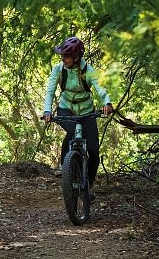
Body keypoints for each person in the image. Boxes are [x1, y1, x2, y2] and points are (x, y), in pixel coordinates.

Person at [42, 36, 113, 195]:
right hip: (66, 109)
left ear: (76, 57)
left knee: (94, 150)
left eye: (66, 57)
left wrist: (107, 103)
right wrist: (47, 111)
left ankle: (89, 185)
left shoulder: (88, 70)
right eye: (62, 56)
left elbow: (100, 88)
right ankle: (64, 166)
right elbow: (50, 91)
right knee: (73, 132)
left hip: (87, 111)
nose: (63, 59)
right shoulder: (58, 69)